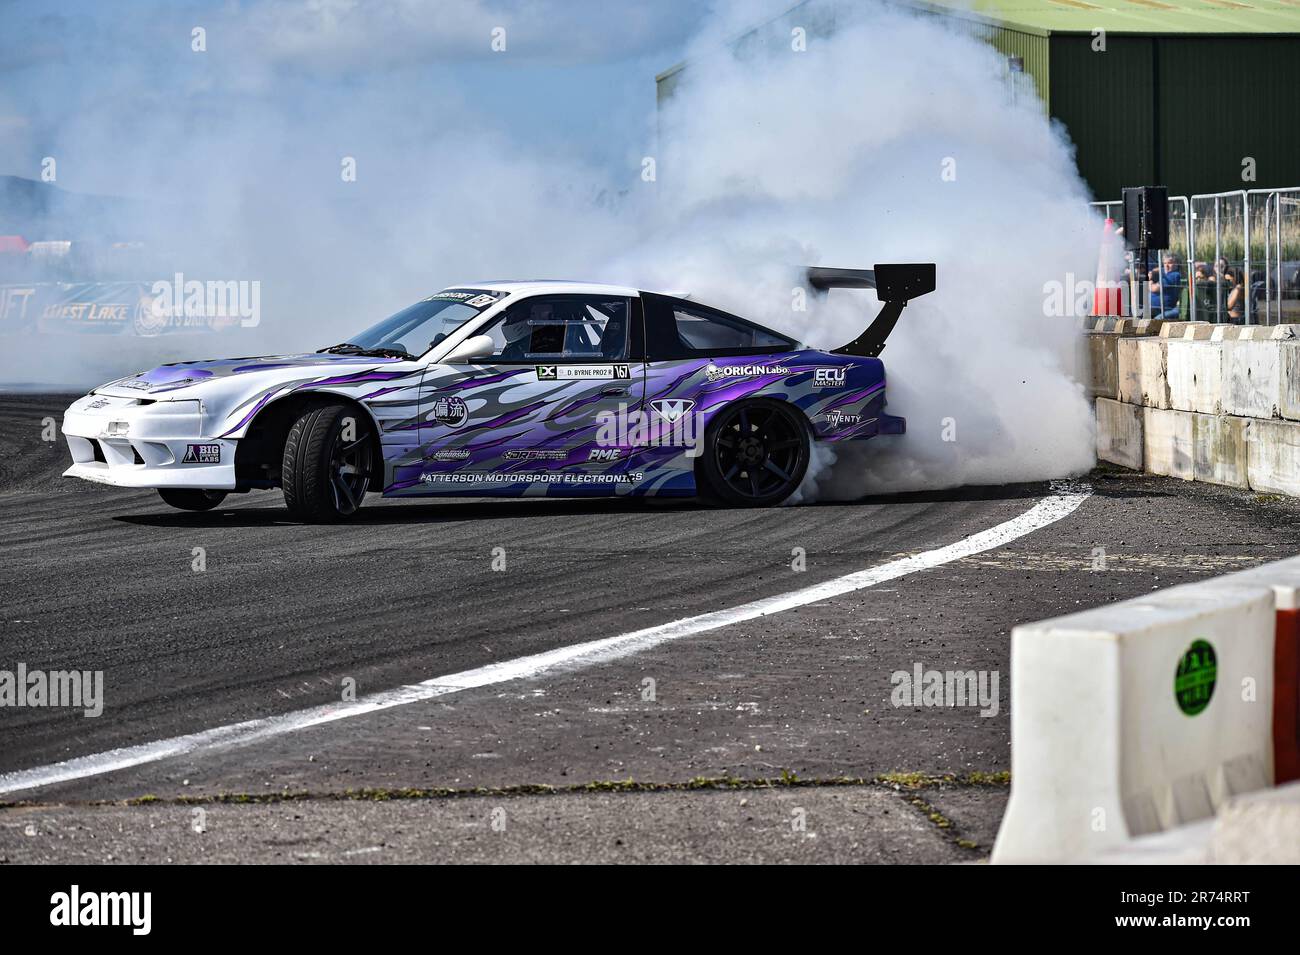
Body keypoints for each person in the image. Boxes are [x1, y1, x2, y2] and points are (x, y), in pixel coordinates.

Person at [1148, 254, 1183, 319]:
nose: (1166, 266)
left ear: (1176, 264)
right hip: (1152, 308)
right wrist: (1152, 272)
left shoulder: (1174, 275)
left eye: (1170, 263)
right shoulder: (1166, 272)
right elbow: (1157, 269)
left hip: (1163, 309)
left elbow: (1155, 288)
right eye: (1164, 263)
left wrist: (1150, 281)